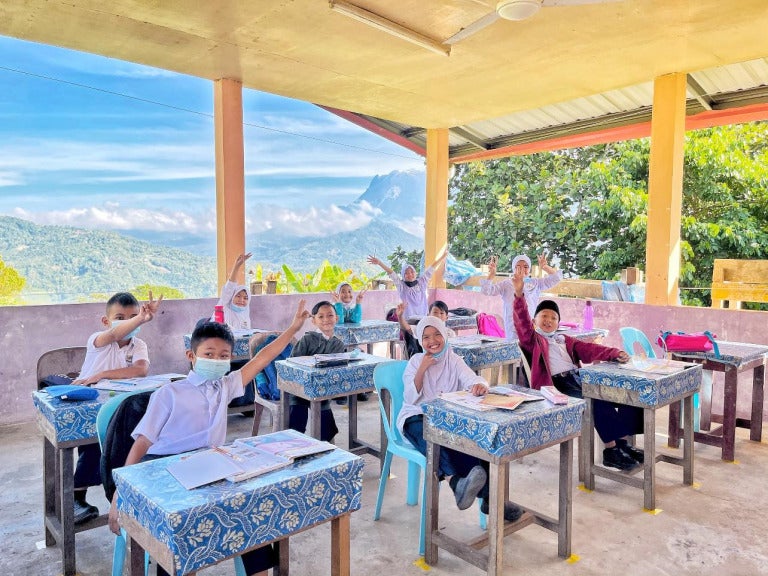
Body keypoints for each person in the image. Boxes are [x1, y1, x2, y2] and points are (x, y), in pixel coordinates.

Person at [108, 300, 310, 576]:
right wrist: (120, 491)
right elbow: (142, 443)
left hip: (210, 466)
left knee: (250, 508)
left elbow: (263, 358)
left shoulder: (225, 386)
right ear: (191, 356)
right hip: (165, 467)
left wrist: (293, 328)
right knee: (179, 525)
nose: (216, 360)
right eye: (209, 354)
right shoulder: (169, 394)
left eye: (223, 356)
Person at [511, 271, 644, 471]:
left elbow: (590, 349)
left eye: (553, 317)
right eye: (544, 316)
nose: (548, 320)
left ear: (558, 323)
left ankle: (623, 444)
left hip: (577, 379)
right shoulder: (532, 340)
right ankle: (610, 451)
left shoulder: (564, 340)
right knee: (595, 398)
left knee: (627, 392)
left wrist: (615, 353)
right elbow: (521, 321)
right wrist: (519, 294)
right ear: (534, 320)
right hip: (556, 386)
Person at [397, 316, 525, 522]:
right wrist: (422, 368)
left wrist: (480, 385)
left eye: (437, 334)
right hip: (416, 416)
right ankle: (455, 482)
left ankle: (491, 499)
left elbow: (471, 378)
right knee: (431, 436)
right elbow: (411, 397)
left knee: (475, 441)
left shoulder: (454, 359)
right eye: (426, 337)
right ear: (420, 340)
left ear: (445, 335)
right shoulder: (415, 361)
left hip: (446, 419)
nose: (433, 341)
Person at [70, 291, 163, 524]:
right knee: (92, 448)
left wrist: (102, 374)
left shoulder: (138, 344)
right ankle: (75, 497)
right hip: (91, 406)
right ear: (106, 320)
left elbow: (140, 370)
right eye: (120, 317)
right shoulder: (98, 340)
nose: (128, 322)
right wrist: (140, 318)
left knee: (129, 444)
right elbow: (115, 333)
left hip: (121, 406)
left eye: (133, 316)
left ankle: (128, 493)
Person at [288, 300, 349, 432]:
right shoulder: (307, 339)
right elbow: (293, 363)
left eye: (330, 315)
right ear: (313, 321)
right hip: (299, 390)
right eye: (321, 316)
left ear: (337, 318)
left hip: (322, 391)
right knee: (296, 425)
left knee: (327, 430)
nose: (326, 319)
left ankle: (322, 443)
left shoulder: (338, 344)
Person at [481, 253, 563, 340]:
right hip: (512, 324)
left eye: (526, 267)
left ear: (529, 269)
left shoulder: (535, 283)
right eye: (518, 267)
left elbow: (556, 278)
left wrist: (545, 267)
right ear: (514, 269)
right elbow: (487, 290)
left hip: (531, 323)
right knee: (514, 345)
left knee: (530, 345)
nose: (522, 269)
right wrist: (491, 274)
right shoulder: (507, 284)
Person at [367, 251, 448, 319]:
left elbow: (431, 268)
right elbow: (391, 273)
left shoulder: (422, 282)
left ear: (415, 273)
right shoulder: (401, 286)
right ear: (403, 275)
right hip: (408, 320)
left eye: (412, 272)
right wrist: (380, 263)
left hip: (423, 317)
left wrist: (442, 257)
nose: (410, 274)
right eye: (406, 273)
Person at [214, 252, 252, 330]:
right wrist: (237, 266)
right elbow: (230, 287)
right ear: (232, 296)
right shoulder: (225, 305)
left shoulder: (245, 313)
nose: (241, 300)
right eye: (238, 296)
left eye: (245, 298)